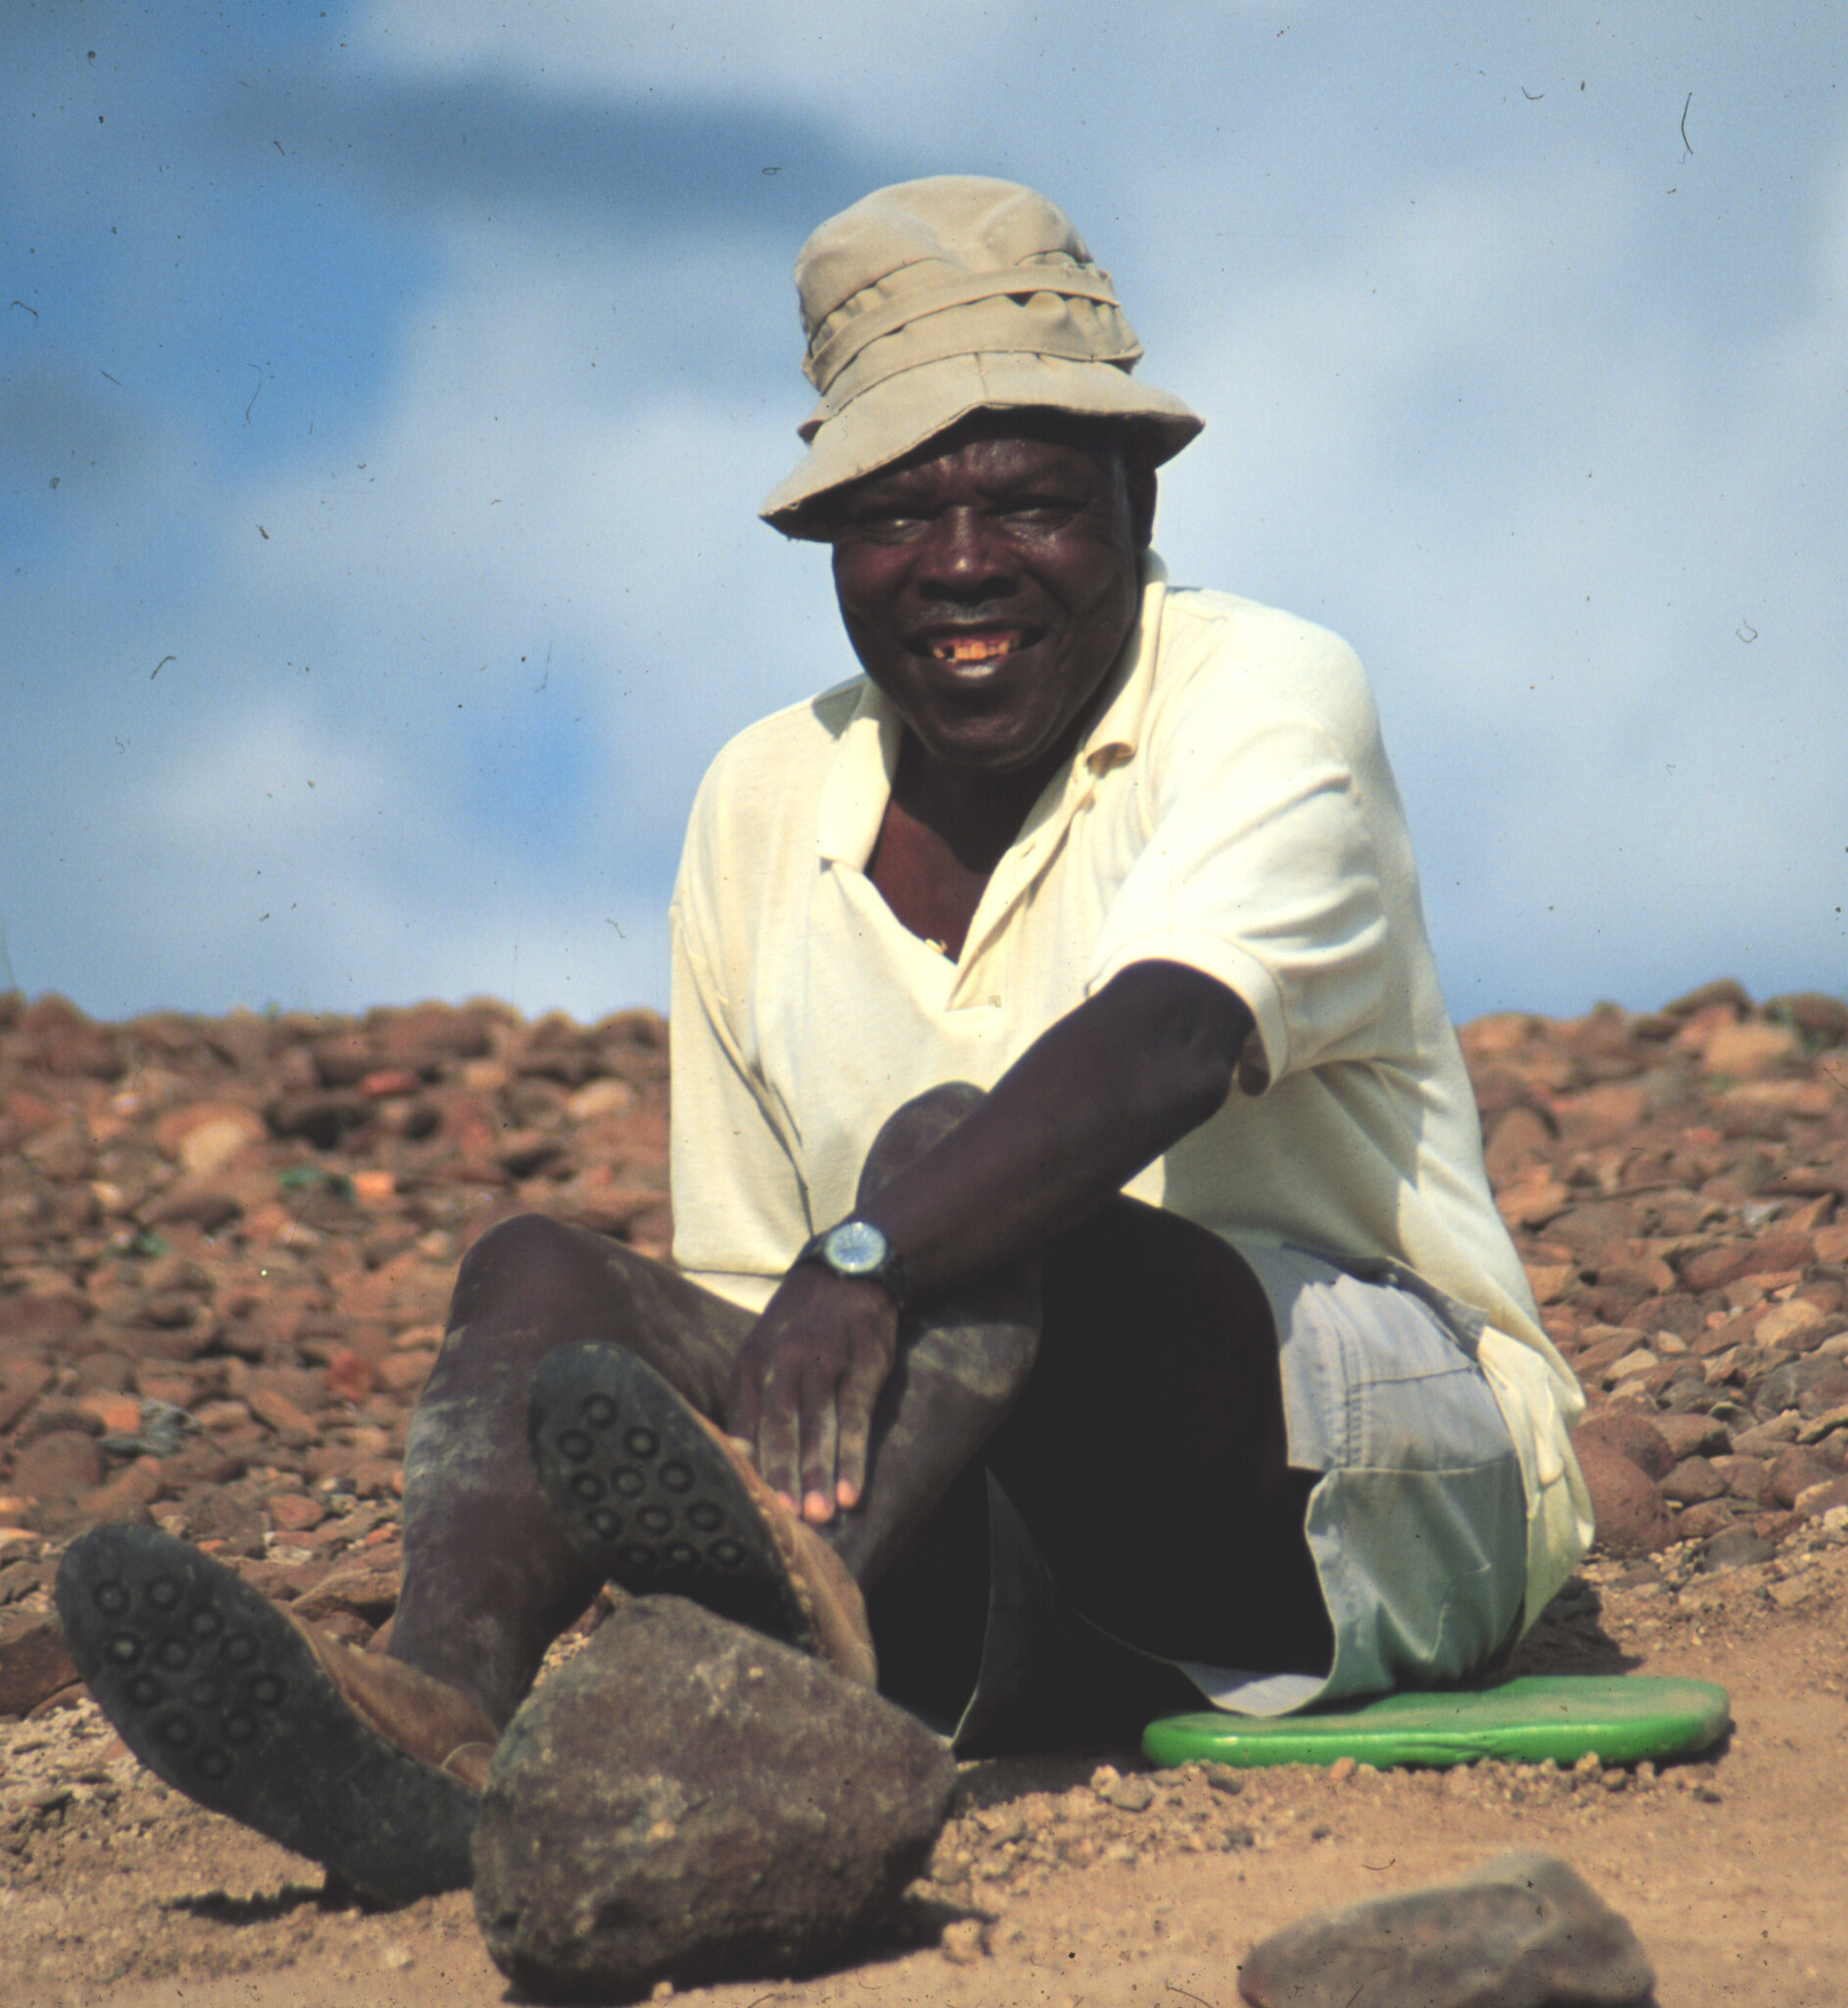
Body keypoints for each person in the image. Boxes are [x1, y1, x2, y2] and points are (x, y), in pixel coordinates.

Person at [58, 176, 1592, 1905]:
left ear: (1136, 498)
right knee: (543, 1270)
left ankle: (744, 1715)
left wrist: (870, 1255)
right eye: (893, 517)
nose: (959, 567)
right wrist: (796, 1333)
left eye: (1024, 503)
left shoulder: (1260, 687)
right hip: (990, 1547)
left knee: (950, 1151)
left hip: (1335, 1501)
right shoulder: (760, 796)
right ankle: (434, 1718)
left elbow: (1169, 1039)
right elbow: (740, 1292)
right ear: (831, 545)